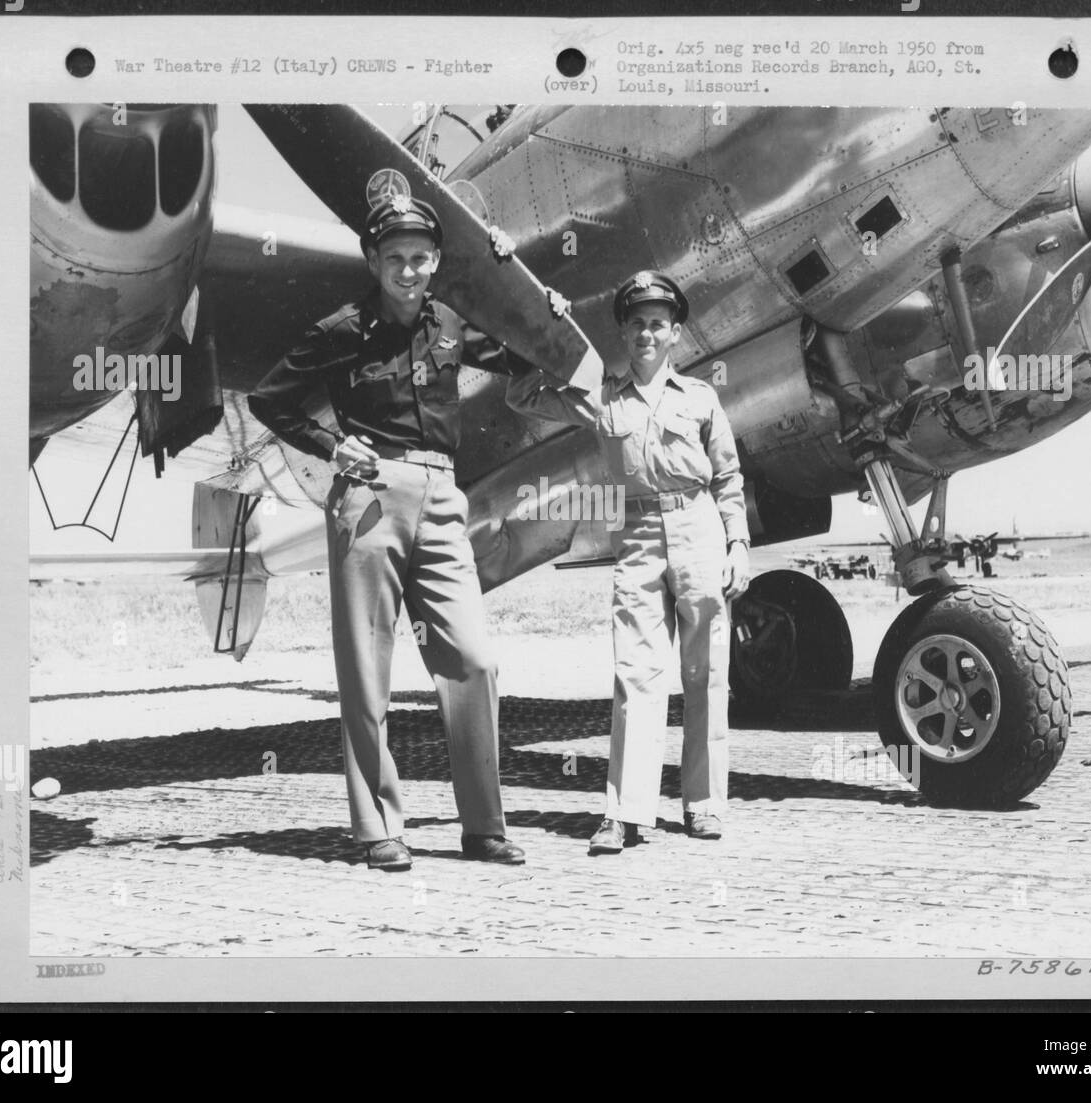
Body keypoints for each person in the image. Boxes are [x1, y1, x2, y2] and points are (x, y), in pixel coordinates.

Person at [248, 191, 525, 871]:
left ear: (435, 262)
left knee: (474, 660)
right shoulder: (344, 328)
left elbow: (523, 352)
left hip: (443, 495)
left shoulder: (454, 325)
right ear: (374, 260)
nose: (407, 270)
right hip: (369, 498)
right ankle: (377, 828)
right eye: (394, 258)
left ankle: (483, 825)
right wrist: (330, 443)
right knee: (367, 669)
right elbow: (268, 398)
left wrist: (509, 269)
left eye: (419, 258)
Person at [506, 270, 750, 854]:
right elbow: (522, 395)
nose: (646, 333)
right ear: (623, 332)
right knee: (636, 675)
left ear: (675, 334)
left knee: (704, 673)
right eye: (636, 323)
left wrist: (739, 544)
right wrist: (546, 327)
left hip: (699, 530)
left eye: (657, 324)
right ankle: (625, 812)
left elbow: (728, 477)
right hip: (637, 533)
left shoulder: (700, 399)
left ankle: (704, 804)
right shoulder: (603, 398)